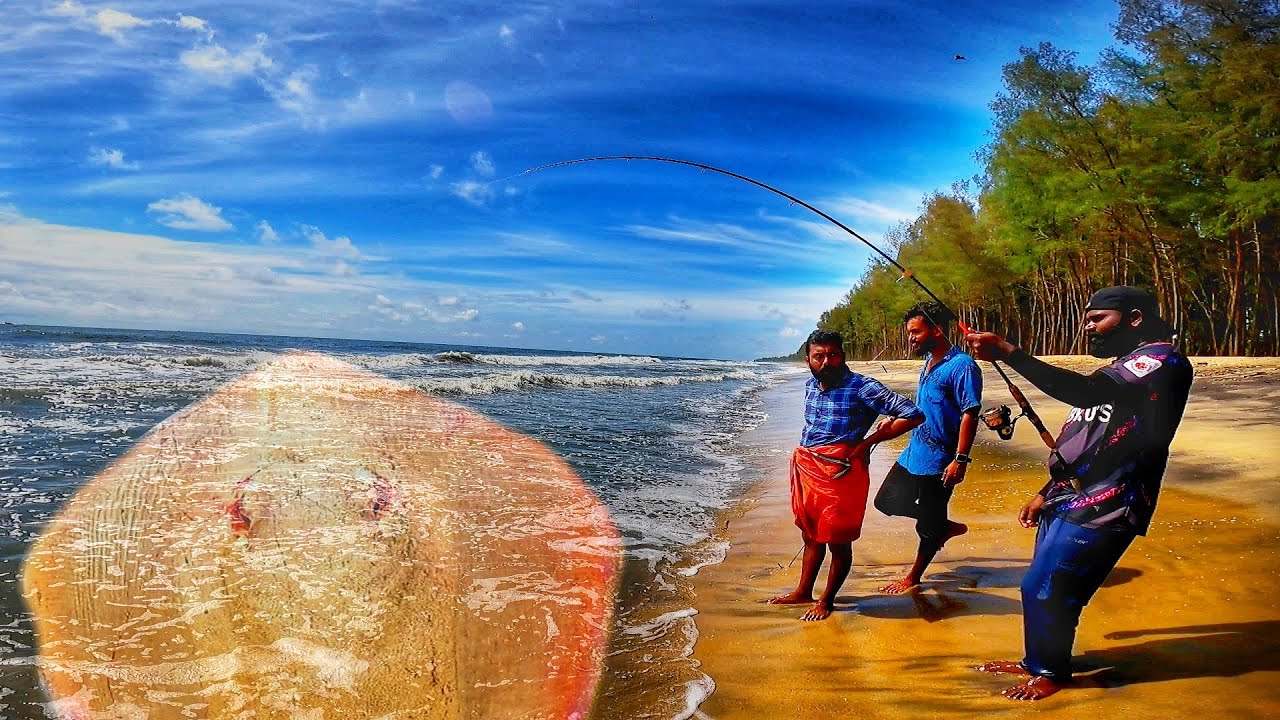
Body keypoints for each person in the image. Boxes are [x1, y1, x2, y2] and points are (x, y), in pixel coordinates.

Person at [964, 286, 1193, 700]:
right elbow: (1086, 438)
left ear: (1135, 318)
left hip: (1115, 495)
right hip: (1068, 494)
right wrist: (1045, 490)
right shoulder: (1123, 365)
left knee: (1047, 586)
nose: (1087, 328)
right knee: (1044, 588)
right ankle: (1038, 662)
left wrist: (1010, 353)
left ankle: (1052, 673)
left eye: (1097, 319)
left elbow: (1086, 393)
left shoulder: (1162, 359)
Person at [768, 329, 924, 621]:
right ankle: (803, 591)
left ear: (843, 356)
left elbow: (913, 414)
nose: (827, 361)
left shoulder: (862, 387)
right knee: (811, 535)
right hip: (808, 467)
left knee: (838, 540)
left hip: (842, 472)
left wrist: (866, 444)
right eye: (819, 356)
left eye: (833, 354)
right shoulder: (810, 386)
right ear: (808, 360)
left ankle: (827, 601)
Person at [874, 303, 982, 594]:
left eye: (915, 332)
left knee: (928, 524)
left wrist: (959, 459)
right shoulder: (930, 362)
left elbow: (970, 413)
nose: (911, 338)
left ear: (936, 329)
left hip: (941, 460)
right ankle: (942, 526)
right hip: (914, 451)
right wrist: (896, 419)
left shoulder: (962, 366)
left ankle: (913, 577)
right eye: (909, 333)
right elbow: (925, 407)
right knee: (885, 502)